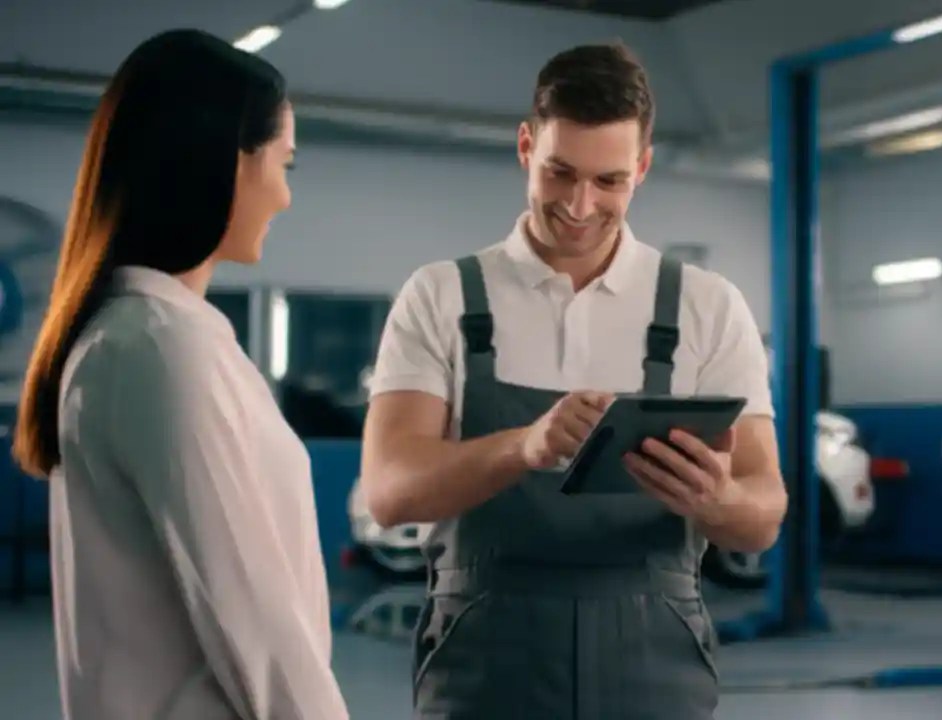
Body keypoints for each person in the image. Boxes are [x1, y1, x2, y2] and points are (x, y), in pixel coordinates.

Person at [361, 42, 787, 718]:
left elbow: (763, 515)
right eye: (560, 173)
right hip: (485, 667)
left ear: (642, 168)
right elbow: (387, 493)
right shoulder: (441, 296)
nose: (581, 206)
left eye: (609, 181)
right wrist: (523, 448)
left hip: (655, 669)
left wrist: (716, 498)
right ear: (526, 147)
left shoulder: (706, 305)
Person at [11, 29, 349, 720]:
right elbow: (256, 624)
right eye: (284, 164)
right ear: (228, 164)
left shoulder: (158, 339)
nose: (285, 197)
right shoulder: (158, 349)